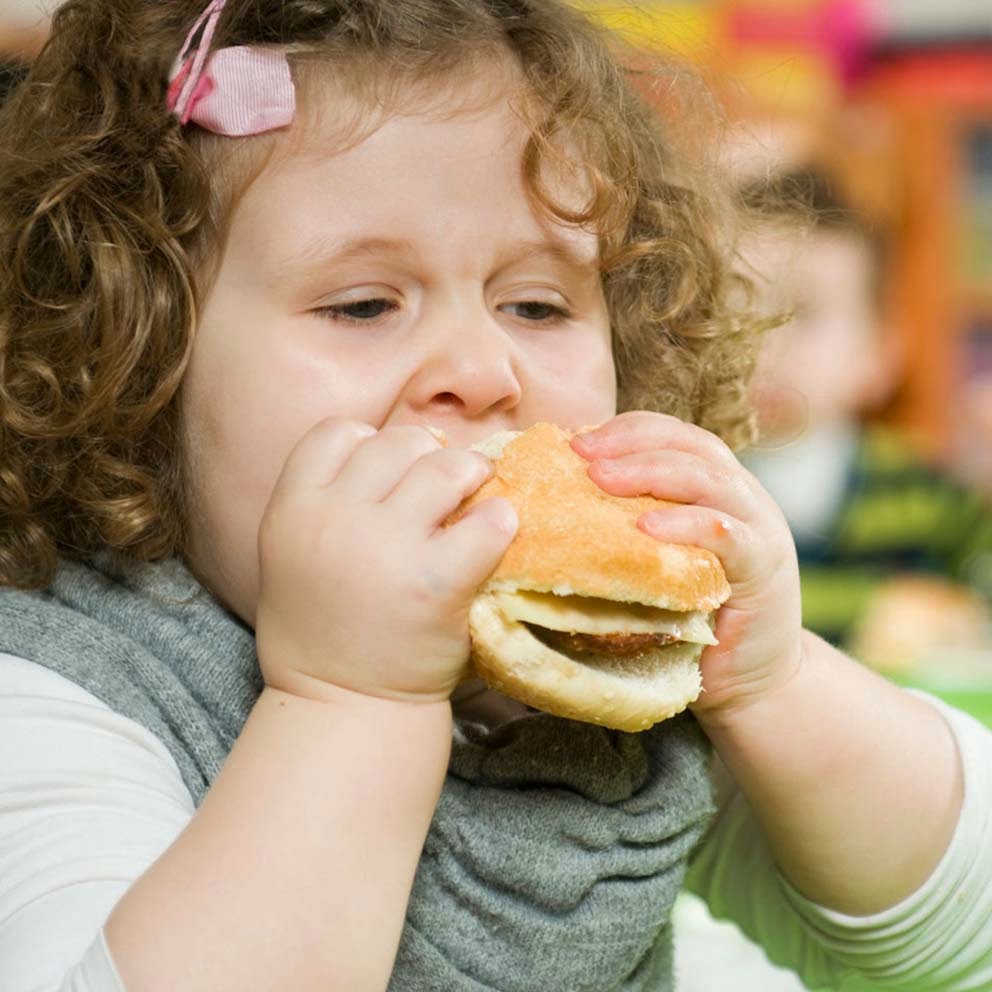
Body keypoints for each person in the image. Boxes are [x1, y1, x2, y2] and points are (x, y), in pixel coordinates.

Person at [0, 2, 988, 990]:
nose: (481, 368)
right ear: (137, 365)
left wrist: (772, 683)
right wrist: (353, 699)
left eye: (535, 304)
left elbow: (949, 936)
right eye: (363, 303)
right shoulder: (58, 693)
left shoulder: (593, 670)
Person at [740, 167, 992, 651]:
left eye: (799, 313)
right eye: (734, 307)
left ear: (879, 354)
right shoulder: (693, 480)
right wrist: (870, 609)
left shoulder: (929, 493)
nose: (762, 345)